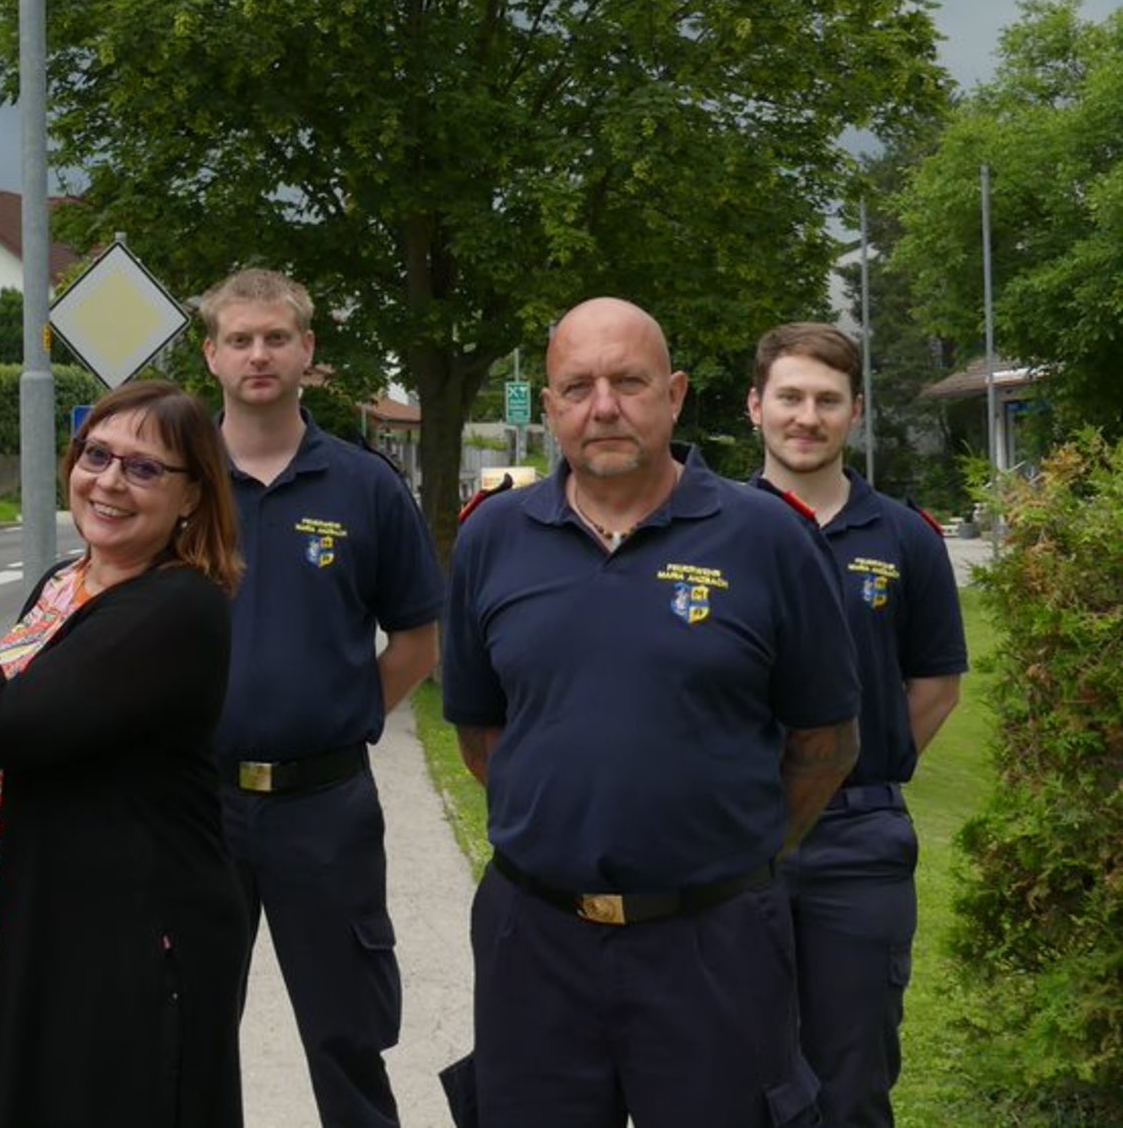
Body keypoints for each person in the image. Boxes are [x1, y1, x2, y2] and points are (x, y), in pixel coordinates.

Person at [440, 296, 859, 1128]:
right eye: (578, 386)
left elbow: (827, 739)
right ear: (552, 405)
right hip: (537, 942)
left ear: (673, 393)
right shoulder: (494, 537)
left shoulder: (766, 538)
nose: (604, 406)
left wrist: (725, 851)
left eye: (628, 382)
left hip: (714, 946)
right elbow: (483, 734)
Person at [0, 377, 249, 1128]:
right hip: (12, 928)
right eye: (97, 454)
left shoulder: (176, 607)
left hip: (121, 950)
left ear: (193, 494)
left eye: (143, 467)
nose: (109, 481)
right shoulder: (64, 582)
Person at [199, 267, 443, 1128]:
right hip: (198, 806)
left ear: (308, 350)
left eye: (276, 337)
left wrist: (346, 705)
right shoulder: (177, 481)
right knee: (183, 1037)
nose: (258, 354)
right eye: (240, 338)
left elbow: (418, 639)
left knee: (347, 1037)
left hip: (325, 809)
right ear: (212, 354)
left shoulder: (365, 485)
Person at [749, 321, 967, 1128]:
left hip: (858, 843)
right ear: (755, 406)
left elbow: (936, 685)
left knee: (852, 1078)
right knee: (729, 1067)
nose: (807, 416)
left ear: (857, 412)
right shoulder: (713, 530)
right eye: (791, 397)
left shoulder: (905, 537)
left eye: (827, 400)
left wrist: (837, 772)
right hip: (734, 835)